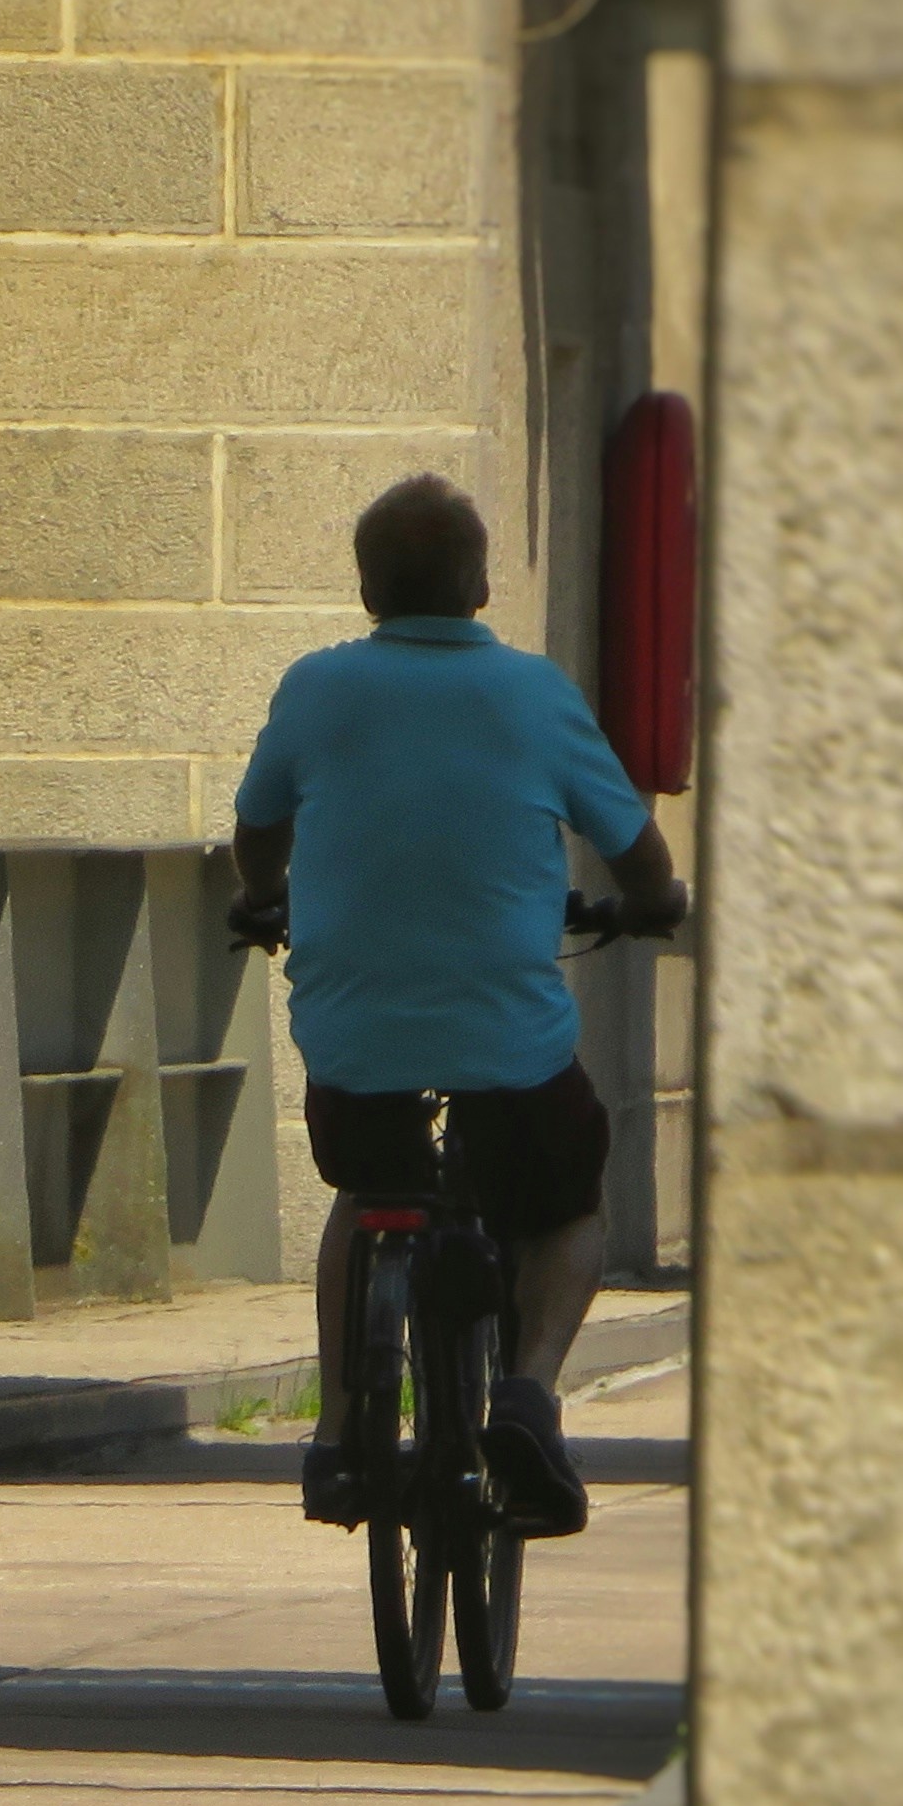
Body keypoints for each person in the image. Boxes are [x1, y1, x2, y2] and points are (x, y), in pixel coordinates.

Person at [226, 476, 687, 1540]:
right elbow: (638, 851)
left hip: (355, 1030)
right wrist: (650, 903)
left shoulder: (316, 687)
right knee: (566, 1202)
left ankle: (341, 1435)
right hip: (508, 1041)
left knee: (364, 1191)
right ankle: (525, 1394)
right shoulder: (534, 694)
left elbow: (259, 830)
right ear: (482, 583)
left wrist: (260, 898)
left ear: (366, 586)